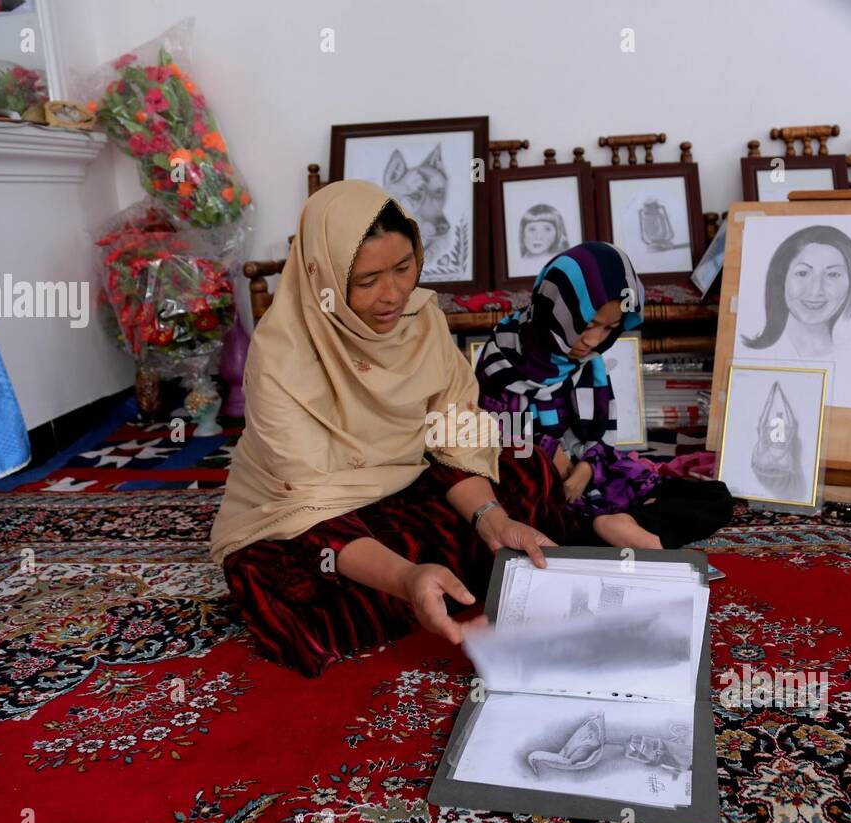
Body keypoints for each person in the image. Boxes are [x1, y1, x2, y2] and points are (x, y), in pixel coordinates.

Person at [211, 180, 596, 678]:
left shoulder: (422, 320)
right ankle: (422, 585)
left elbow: (455, 432)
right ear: (322, 277)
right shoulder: (283, 355)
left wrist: (491, 520)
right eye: (367, 280)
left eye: (403, 267)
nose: (393, 295)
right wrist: (405, 574)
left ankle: (449, 573)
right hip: (307, 514)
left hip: (405, 480)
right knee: (285, 579)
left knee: (523, 465)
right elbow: (306, 501)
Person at [474, 242, 733, 550]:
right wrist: (546, 452)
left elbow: (601, 436)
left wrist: (586, 469)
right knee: (541, 521)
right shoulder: (503, 356)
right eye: (588, 325)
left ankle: (619, 525)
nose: (594, 340)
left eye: (610, 327)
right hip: (531, 481)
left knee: (715, 496)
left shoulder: (588, 361)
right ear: (560, 311)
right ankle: (628, 527)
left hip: (586, 474)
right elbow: (499, 434)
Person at [740, 224, 851, 359]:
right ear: (781, 279)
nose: (815, 290)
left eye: (833, 274)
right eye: (802, 273)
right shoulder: (752, 357)